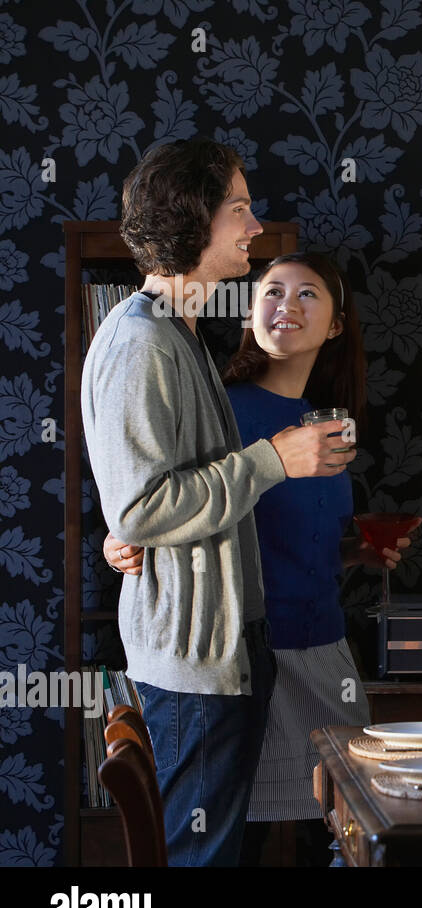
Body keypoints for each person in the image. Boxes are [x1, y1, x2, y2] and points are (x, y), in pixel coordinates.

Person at [82, 140, 353, 866]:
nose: (254, 228)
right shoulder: (141, 343)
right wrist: (275, 459)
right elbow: (141, 509)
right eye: (238, 208)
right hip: (197, 662)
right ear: (191, 220)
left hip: (227, 651)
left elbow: (155, 505)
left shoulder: (183, 336)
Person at [105, 252, 415, 864]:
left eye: (307, 295)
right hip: (245, 660)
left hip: (324, 653)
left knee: (353, 833)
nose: (286, 306)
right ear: (250, 312)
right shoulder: (224, 411)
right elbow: (158, 503)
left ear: (334, 326)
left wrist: (356, 552)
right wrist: (123, 544)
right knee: (230, 839)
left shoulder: (329, 423)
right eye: (272, 291)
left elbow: (281, 536)